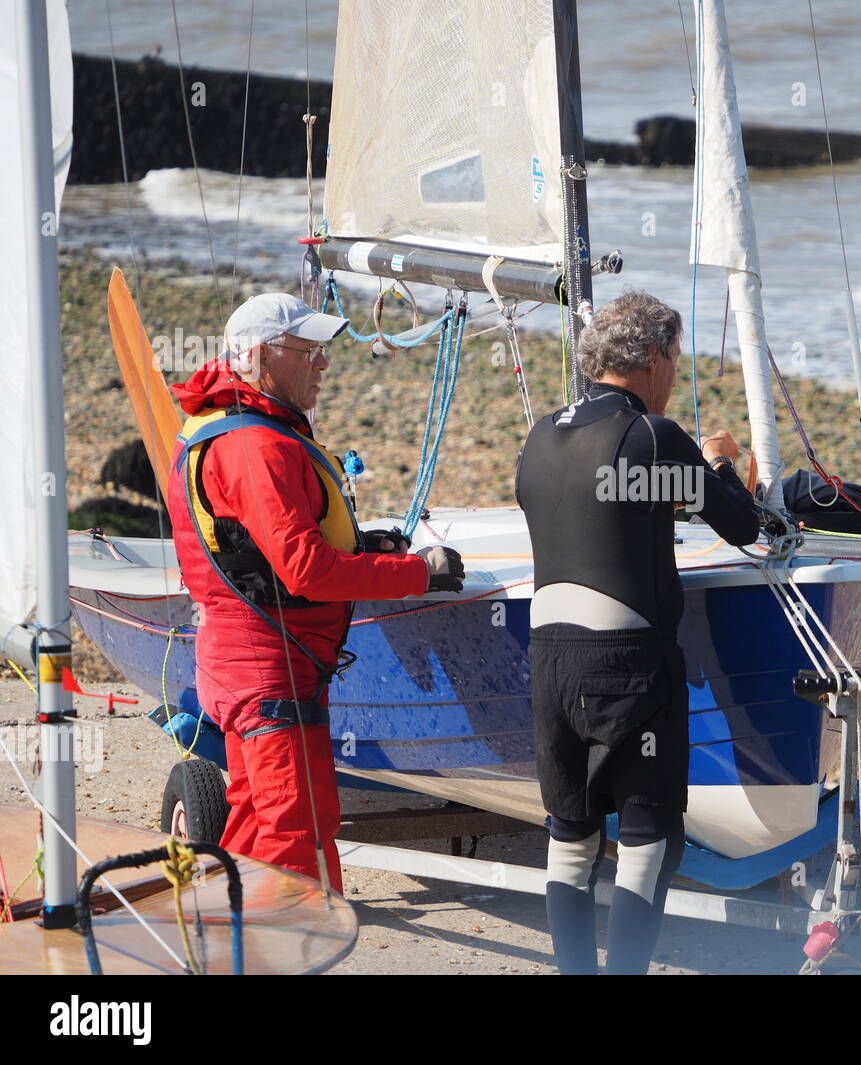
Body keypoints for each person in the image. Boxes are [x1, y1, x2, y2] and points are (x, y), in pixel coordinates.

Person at [167, 292, 464, 891]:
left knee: (265, 815)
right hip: (265, 666)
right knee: (291, 829)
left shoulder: (243, 432)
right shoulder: (255, 446)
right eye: (308, 352)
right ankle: (279, 948)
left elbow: (274, 549)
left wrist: (367, 550)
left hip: (253, 662)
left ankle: (225, 934)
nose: (323, 364)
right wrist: (419, 574)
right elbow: (305, 569)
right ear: (256, 358)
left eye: (322, 351)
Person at [516, 289, 760, 973]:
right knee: (651, 840)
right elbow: (740, 524)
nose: (675, 374)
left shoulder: (538, 437)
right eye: (675, 359)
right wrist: (718, 464)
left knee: (572, 838)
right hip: (625, 666)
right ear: (653, 358)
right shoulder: (653, 436)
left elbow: (602, 502)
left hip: (548, 666)